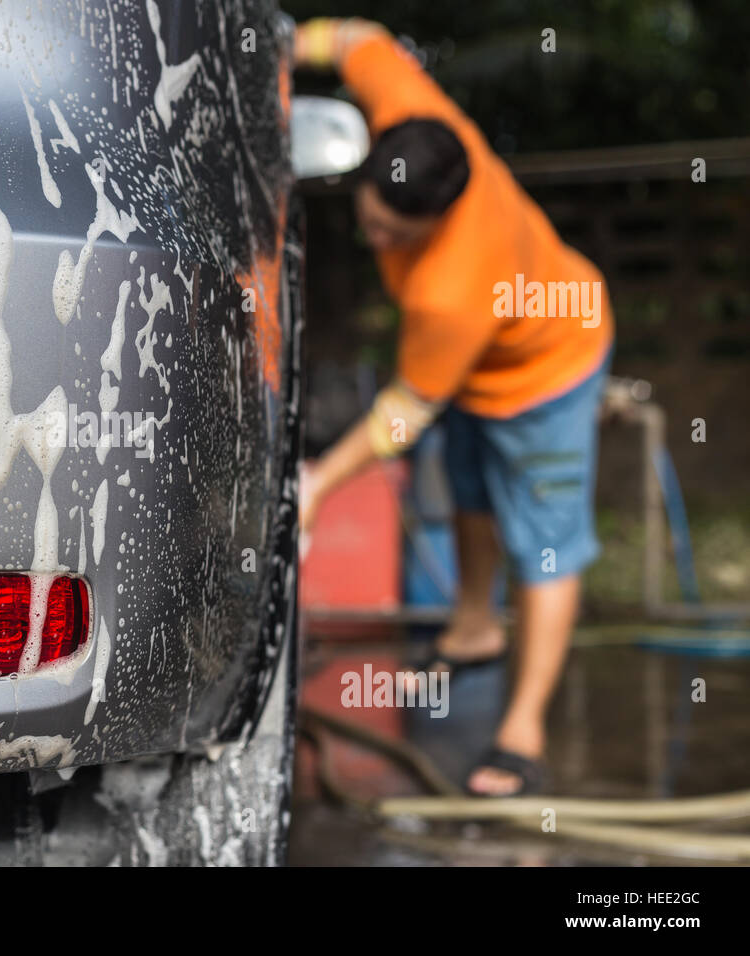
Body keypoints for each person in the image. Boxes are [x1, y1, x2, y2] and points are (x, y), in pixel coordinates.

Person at [294, 19, 615, 795]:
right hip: (474, 372)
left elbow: (405, 415)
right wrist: (274, 52)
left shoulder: (453, 289)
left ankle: (522, 729)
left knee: (544, 542)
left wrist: (319, 484)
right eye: (367, 217)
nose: (372, 238)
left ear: (436, 223)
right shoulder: (411, 111)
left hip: (549, 366)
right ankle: (473, 631)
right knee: (469, 495)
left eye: (390, 232)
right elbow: (352, 39)